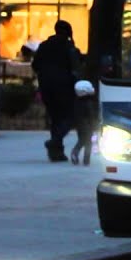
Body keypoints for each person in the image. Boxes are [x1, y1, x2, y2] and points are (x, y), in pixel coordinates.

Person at [31, 20, 83, 162]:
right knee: (69, 117)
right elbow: (76, 68)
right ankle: (55, 141)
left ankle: (56, 152)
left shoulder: (44, 46)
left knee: (55, 118)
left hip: (46, 86)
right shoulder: (68, 47)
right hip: (64, 87)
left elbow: (35, 65)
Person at [70, 79, 97, 166]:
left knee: (82, 140)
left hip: (79, 124)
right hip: (87, 125)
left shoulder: (77, 102)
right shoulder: (88, 103)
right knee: (88, 142)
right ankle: (86, 160)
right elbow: (91, 116)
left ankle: (75, 153)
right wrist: (94, 125)